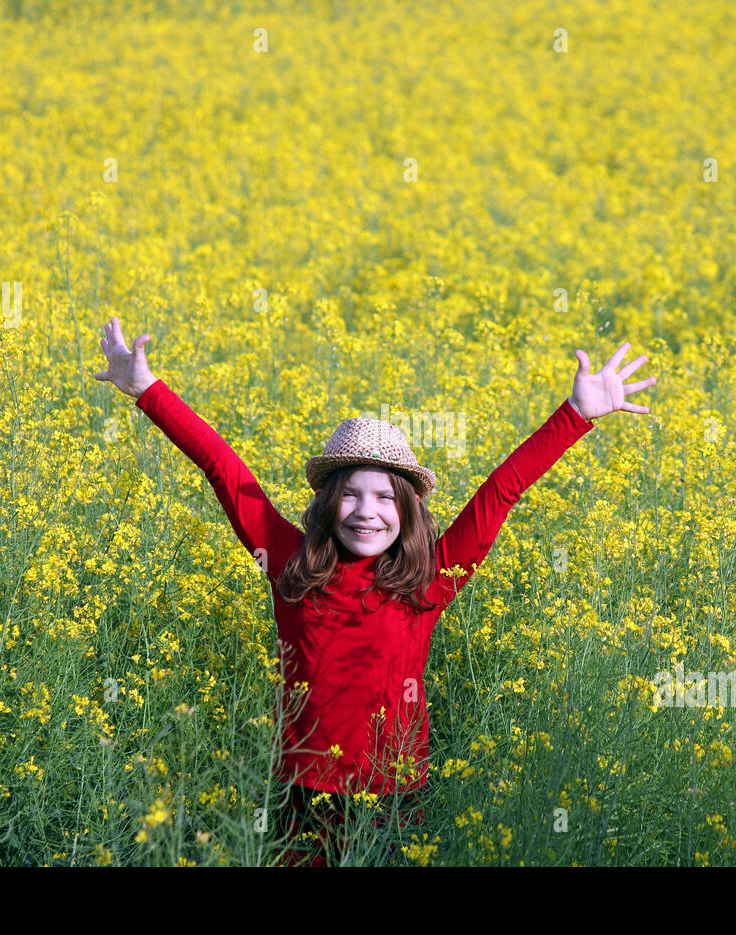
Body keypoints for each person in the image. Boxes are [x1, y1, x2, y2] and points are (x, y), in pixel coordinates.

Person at [94, 316, 656, 865]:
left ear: (408, 510)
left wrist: (576, 414)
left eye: (386, 497)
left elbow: (501, 491)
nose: (367, 513)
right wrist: (146, 388)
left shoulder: (428, 581)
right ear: (326, 504)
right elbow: (223, 468)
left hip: (394, 793)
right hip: (301, 790)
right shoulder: (291, 564)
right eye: (351, 495)